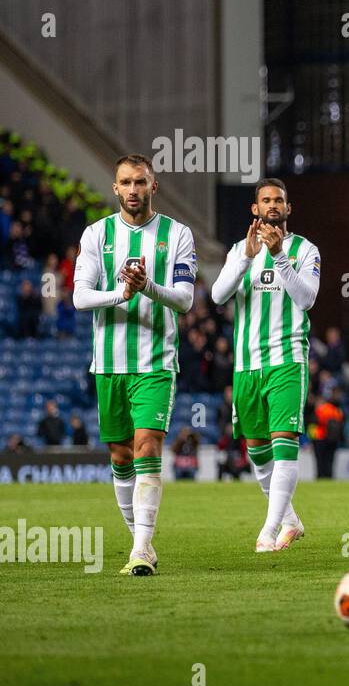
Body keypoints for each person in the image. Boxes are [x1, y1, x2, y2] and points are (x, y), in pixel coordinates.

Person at [72, 154, 196, 576]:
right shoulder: (96, 235)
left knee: (146, 447)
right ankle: (140, 541)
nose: (133, 190)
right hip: (108, 362)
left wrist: (149, 287)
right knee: (121, 456)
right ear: (115, 188)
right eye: (125, 182)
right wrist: (120, 295)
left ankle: (141, 550)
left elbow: (184, 300)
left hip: (155, 359)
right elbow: (79, 296)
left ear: (153, 186)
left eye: (140, 182)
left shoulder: (177, 234)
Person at [212, 178, 318, 552]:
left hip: (287, 360)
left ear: (289, 208)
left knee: (284, 443)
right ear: (254, 209)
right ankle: (290, 521)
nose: (273, 205)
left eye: (280, 200)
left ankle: (268, 532)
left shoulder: (305, 250)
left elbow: (305, 300)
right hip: (247, 365)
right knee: (257, 451)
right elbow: (218, 295)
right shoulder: (240, 250)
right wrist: (247, 257)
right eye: (266, 200)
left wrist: (279, 258)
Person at [310, 391, 344, 480]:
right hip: (333, 439)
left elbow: (315, 422)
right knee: (330, 459)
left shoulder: (319, 410)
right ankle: (329, 476)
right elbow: (340, 421)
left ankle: (320, 476)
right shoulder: (334, 410)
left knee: (320, 460)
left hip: (320, 437)